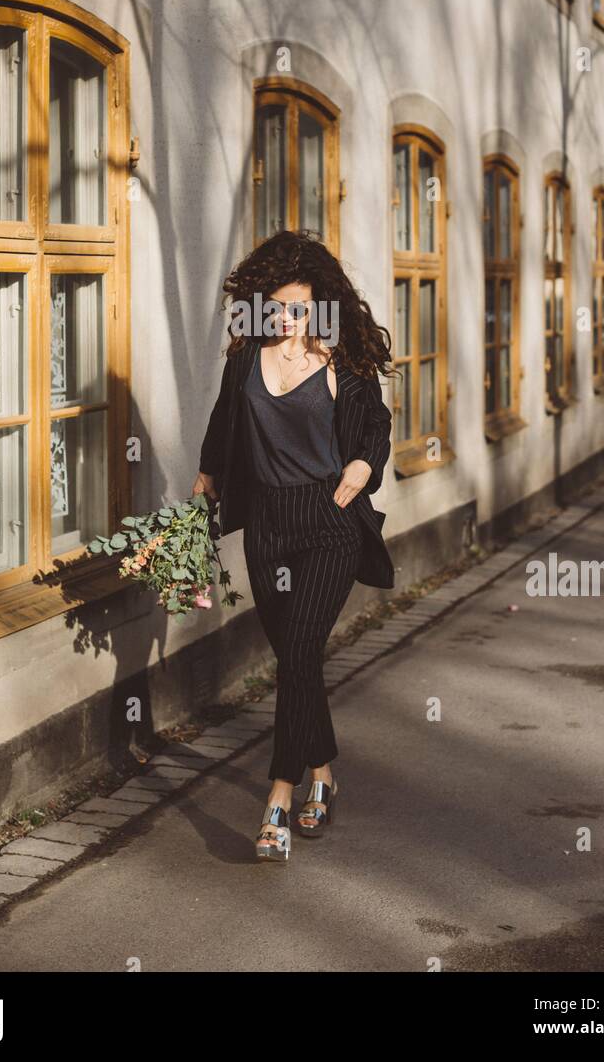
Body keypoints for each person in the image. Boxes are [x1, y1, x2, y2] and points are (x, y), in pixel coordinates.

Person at [193, 229, 396, 862]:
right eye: (277, 306)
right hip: (269, 526)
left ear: (323, 303)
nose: (288, 318)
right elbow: (224, 422)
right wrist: (207, 480)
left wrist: (363, 465)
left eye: (301, 307)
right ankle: (324, 774)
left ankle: (277, 798)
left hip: (329, 521)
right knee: (297, 661)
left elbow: (377, 426)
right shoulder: (245, 358)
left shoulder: (342, 361)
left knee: (300, 651)